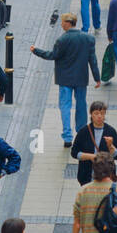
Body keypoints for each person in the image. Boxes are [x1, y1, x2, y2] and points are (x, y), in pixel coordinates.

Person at [29, 12, 101, 147]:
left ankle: (67, 137)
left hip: (65, 78)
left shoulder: (62, 40)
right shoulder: (88, 39)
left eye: (62, 22)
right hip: (81, 78)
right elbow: (93, 60)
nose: (61, 25)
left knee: (65, 106)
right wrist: (97, 77)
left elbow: (53, 55)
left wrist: (36, 51)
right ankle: (81, 132)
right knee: (81, 105)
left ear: (68, 23)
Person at [70, 101, 117, 186]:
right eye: (96, 113)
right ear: (91, 114)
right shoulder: (84, 131)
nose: (99, 116)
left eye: (102, 113)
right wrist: (91, 156)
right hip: (87, 174)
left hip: (106, 175)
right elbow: (74, 153)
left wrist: (110, 146)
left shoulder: (110, 131)